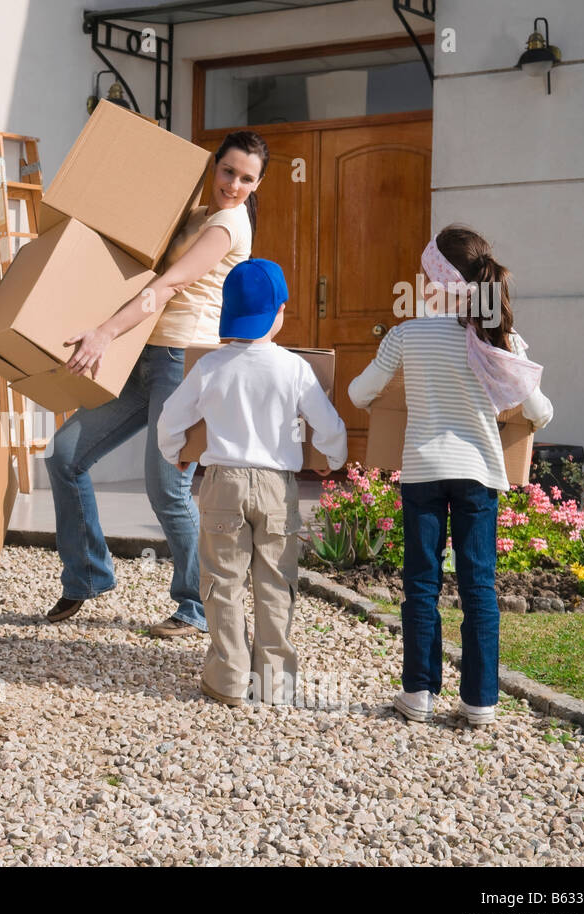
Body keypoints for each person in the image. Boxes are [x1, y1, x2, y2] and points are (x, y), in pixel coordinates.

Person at [44, 131, 268, 637]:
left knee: (167, 488)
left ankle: (197, 604)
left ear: (258, 185)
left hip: (181, 363)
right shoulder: (197, 212)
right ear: (215, 166)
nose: (233, 184)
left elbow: (168, 285)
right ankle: (89, 575)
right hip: (144, 356)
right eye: (228, 171)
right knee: (63, 455)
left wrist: (104, 333)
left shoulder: (228, 225)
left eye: (246, 178)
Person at [348, 225, 552, 726]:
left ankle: (418, 693)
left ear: (437, 281)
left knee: (421, 582)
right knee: (478, 585)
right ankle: (480, 701)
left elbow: (358, 393)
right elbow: (540, 412)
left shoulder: (406, 335)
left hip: (422, 472)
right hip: (480, 475)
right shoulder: (501, 339)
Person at [157, 259, 347, 705]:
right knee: (276, 582)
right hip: (278, 486)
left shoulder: (209, 367)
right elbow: (330, 424)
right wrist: (331, 458)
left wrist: (176, 454)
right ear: (280, 310)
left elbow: (170, 420)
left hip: (222, 483)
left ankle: (227, 679)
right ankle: (275, 682)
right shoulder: (294, 368)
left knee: (223, 583)